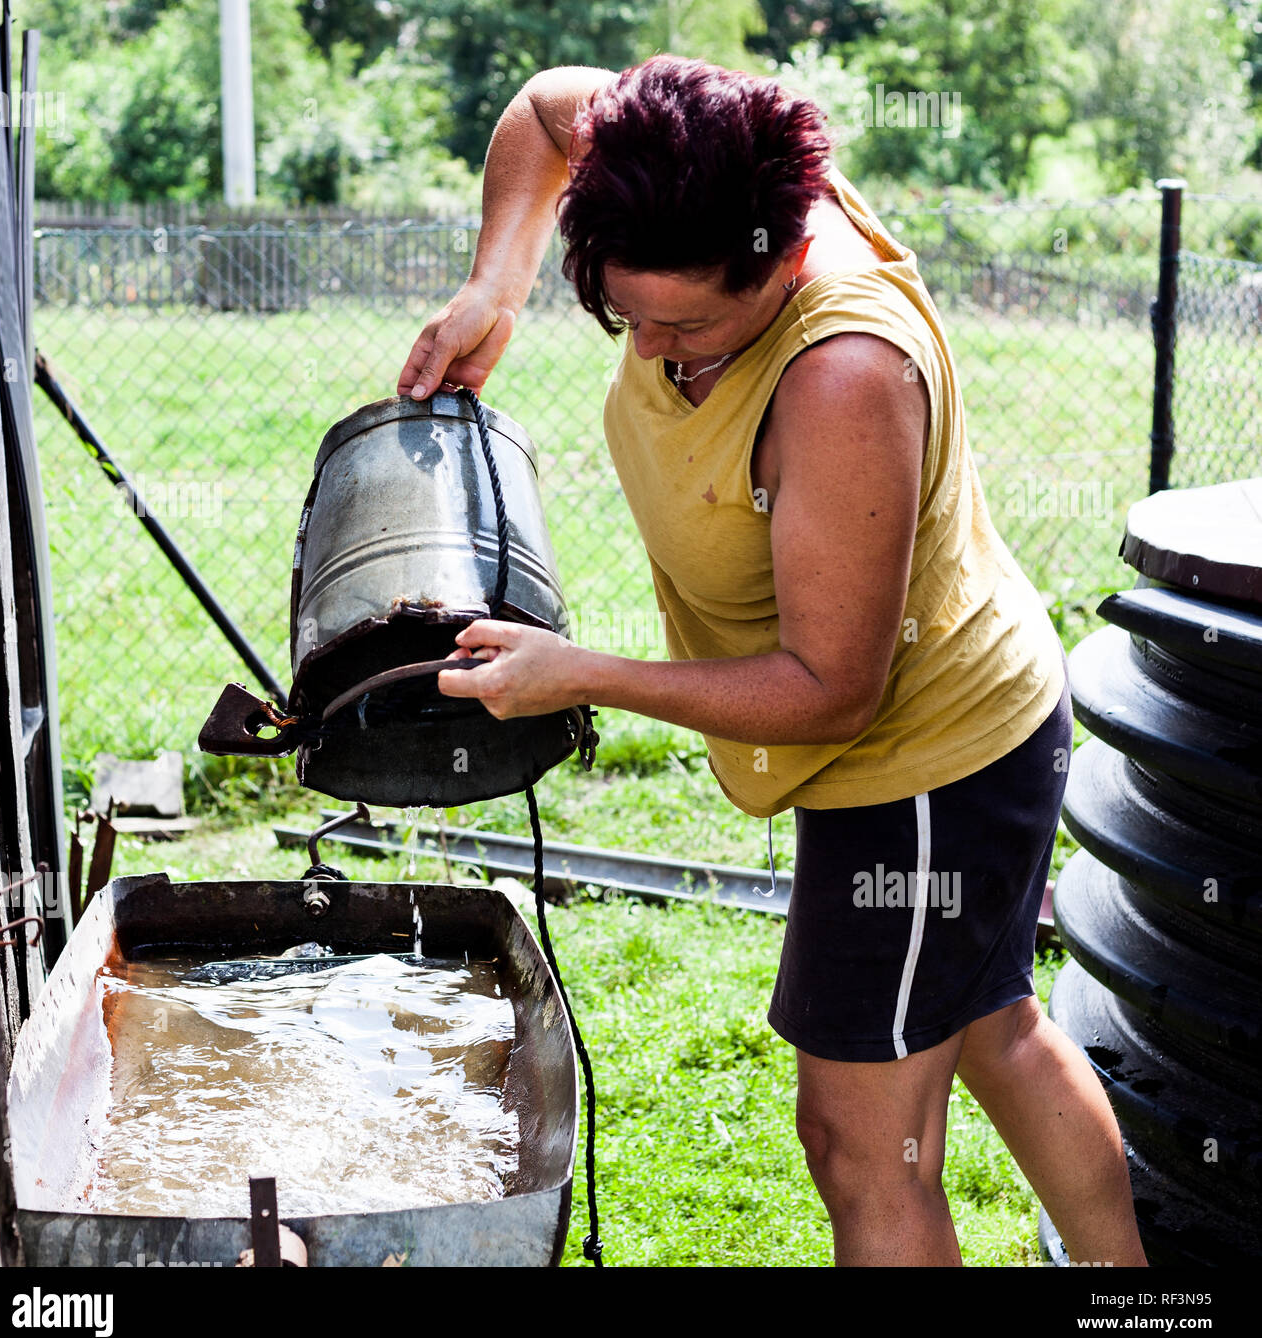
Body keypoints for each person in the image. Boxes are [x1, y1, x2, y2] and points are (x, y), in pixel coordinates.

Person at [396, 55, 1147, 1267]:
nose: (646, 348)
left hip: (918, 768)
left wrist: (582, 672)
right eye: (622, 312)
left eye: (685, 322)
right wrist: (500, 284)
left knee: (862, 1150)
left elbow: (830, 686)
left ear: (785, 260)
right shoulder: (698, 162)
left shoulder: (842, 377)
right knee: (992, 1021)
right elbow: (545, 107)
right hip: (983, 718)